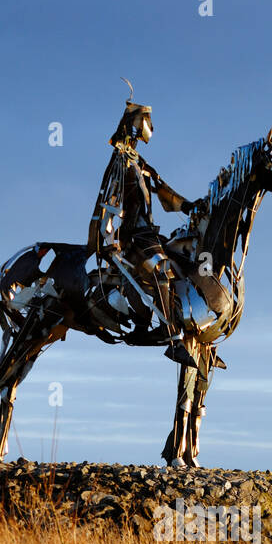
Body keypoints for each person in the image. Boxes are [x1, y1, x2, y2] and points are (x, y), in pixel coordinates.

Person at [88, 87, 198, 349]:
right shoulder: (120, 161)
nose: (149, 127)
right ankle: (170, 335)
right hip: (131, 235)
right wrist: (109, 237)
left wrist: (188, 206)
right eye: (145, 121)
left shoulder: (138, 161)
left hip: (148, 231)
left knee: (182, 261)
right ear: (133, 124)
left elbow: (161, 187)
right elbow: (109, 198)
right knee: (160, 268)